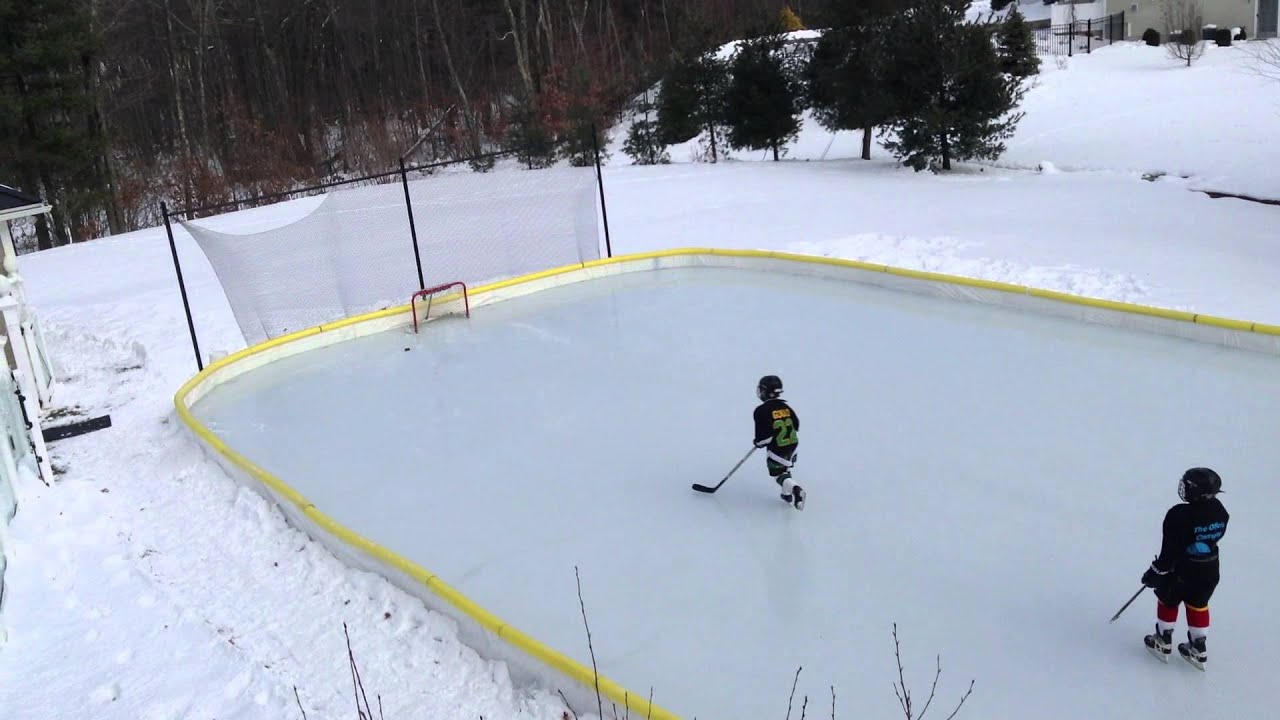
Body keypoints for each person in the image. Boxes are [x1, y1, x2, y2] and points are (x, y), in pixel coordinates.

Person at [1141, 467, 1229, 669]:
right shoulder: (1220, 511)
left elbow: (1169, 551)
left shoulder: (1178, 515)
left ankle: (1163, 640)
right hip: (1209, 569)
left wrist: (1156, 572)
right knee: (1199, 603)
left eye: (1188, 485)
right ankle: (1198, 646)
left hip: (1182, 570)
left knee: (1168, 600)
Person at [752, 375, 804, 510]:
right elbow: (796, 425)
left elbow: (764, 438)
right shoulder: (785, 407)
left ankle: (795, 489)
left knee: (777, 474)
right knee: (784, 469)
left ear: (764, 392)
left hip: (777, 450)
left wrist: (758, 443)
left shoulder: (761, 411)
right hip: (792, 445)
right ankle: (787, 494)